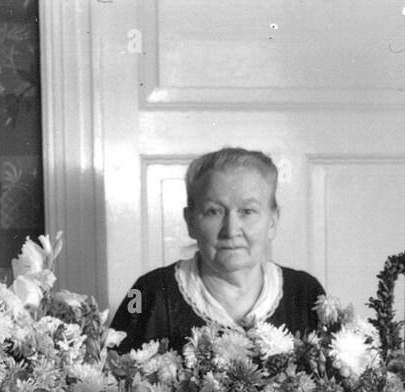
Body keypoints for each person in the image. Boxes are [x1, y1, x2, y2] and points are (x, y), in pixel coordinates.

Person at [110, 148, 326, 352]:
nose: (231, 230)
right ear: (190, 222)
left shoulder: (306, 294)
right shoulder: (146, 293)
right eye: (214, 211)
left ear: (272, 221)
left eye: (248, 211)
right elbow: (111, 380)